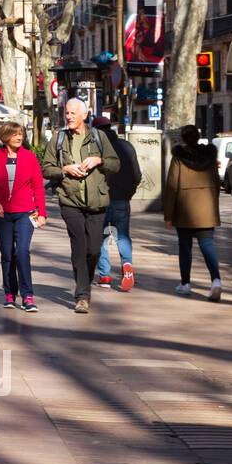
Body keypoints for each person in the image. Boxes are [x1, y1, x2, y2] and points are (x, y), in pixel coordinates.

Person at [41, 98, 120, 313]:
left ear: (85, 115)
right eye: (66, 112)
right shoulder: (59, 138)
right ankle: (82, 295)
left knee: (93, 250)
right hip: (70, 201)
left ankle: (85, 281)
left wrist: (99, 161)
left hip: (97, 202)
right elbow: (46, 168)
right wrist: (65, 170)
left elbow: (116, 164)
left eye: (73, 113)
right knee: (79, 247)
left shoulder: (99, 137)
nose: (69, 116)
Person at [0, 121, 47, 311]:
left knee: (22, 252)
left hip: (25, 213)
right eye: (15, 134)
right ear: (5, 137)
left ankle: (28, 296)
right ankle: (9, 292)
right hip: (2, 214)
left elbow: (38, 186)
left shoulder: (30, 157)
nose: (19, 137)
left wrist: (41, 212)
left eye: (21, 134)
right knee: (8, 254)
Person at [164, 124, 223, 301]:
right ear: (198, 137)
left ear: (182, 138)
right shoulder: (210, 156)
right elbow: (216, 183)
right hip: (206, 208)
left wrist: (168, 214)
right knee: (207, 245)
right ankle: (216, 280)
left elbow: (172, 186)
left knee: (185, 247)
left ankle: (186, 283)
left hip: (184, 209)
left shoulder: (178, 158)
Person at [94, 119, 142, 292]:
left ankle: (105, 275)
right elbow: (137, 174)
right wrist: (129, 193)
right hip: (122, 199)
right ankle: (127, 265)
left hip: (100, 199)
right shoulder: (126, 146)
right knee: (122, 235)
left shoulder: (94, 148)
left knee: (102, 237)